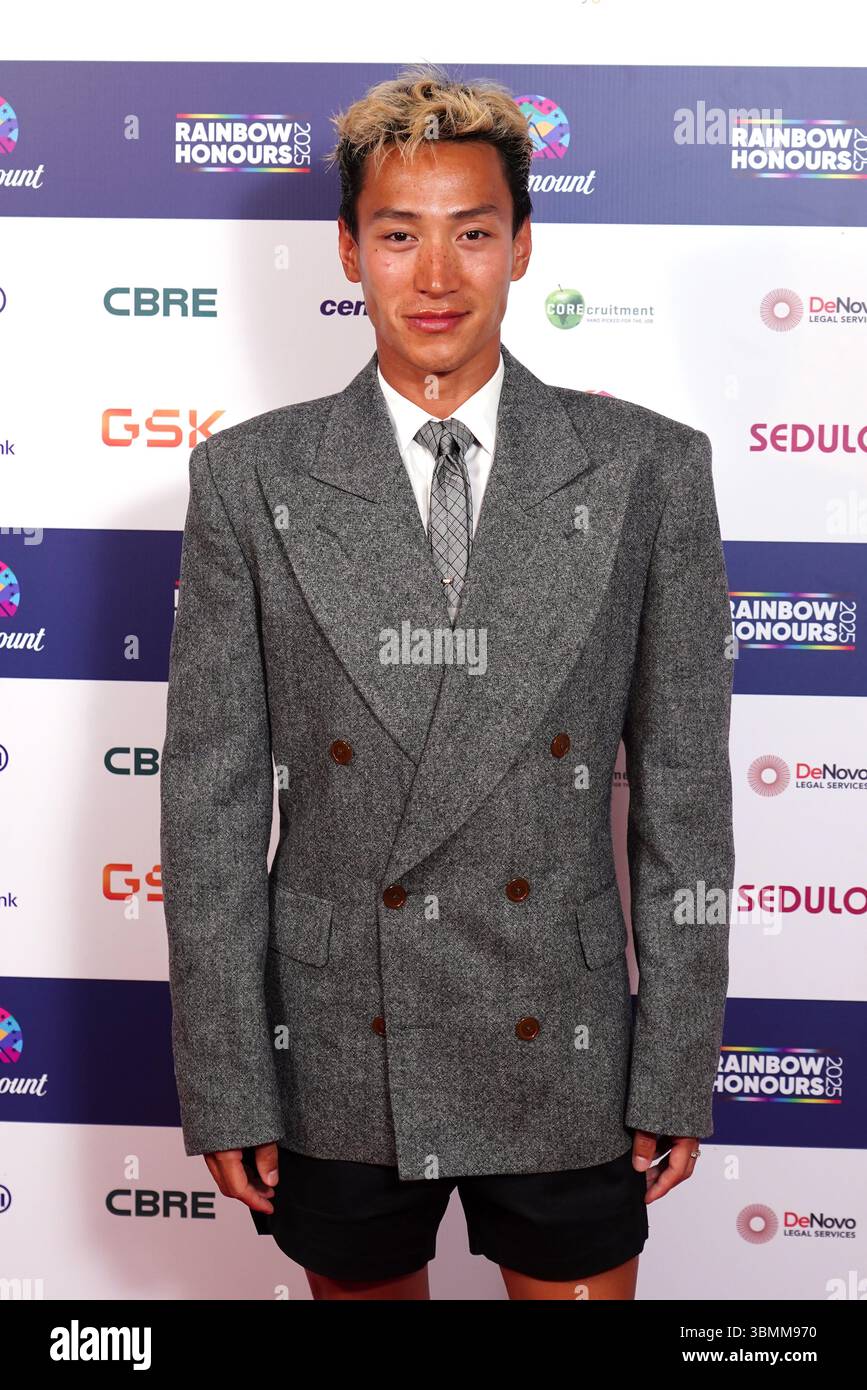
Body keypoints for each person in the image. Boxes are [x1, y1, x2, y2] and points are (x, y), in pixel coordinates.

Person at [160, 62, 735, 1302]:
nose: (435, 276)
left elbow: (687, 797)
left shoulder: (647, 473)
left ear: (522, 246)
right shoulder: (246, 482)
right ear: (348, 251)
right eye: (399, 234)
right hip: (337, 1039)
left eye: (472, 233)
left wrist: (676, 1061)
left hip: (565, 1039)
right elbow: (206, 811)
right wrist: (228, 1074)